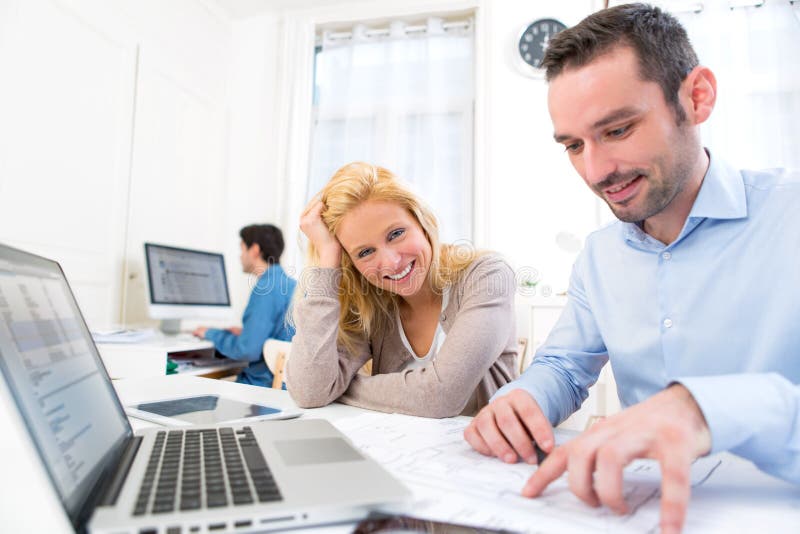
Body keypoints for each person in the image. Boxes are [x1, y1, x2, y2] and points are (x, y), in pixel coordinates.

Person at [463, 4, 800, 533]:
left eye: (617, 130)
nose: (595, 171)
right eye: (574, 145)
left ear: (697, 97)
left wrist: (708, 410)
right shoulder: (599, 257)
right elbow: (564, 367)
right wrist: (521, 400)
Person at [287, 162, 518, 417]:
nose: (390, 262)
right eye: (365, 252)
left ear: (422, 221)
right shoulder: (371, 299)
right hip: (397, 453)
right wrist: (327, 258)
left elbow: (440, 396)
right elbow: (310, 391)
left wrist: (339, 388)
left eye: (396, 233)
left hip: (485, 455)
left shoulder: (487, 274)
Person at [192, 224, 296, 387]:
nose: (241, 257)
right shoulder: (291, 285)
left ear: (254, 250)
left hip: (262, 388)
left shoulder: (266, 289)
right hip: (288, 386)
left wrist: (210, 333)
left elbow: (247, 350)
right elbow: (281, 334)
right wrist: (248, 333)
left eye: (242, 250)